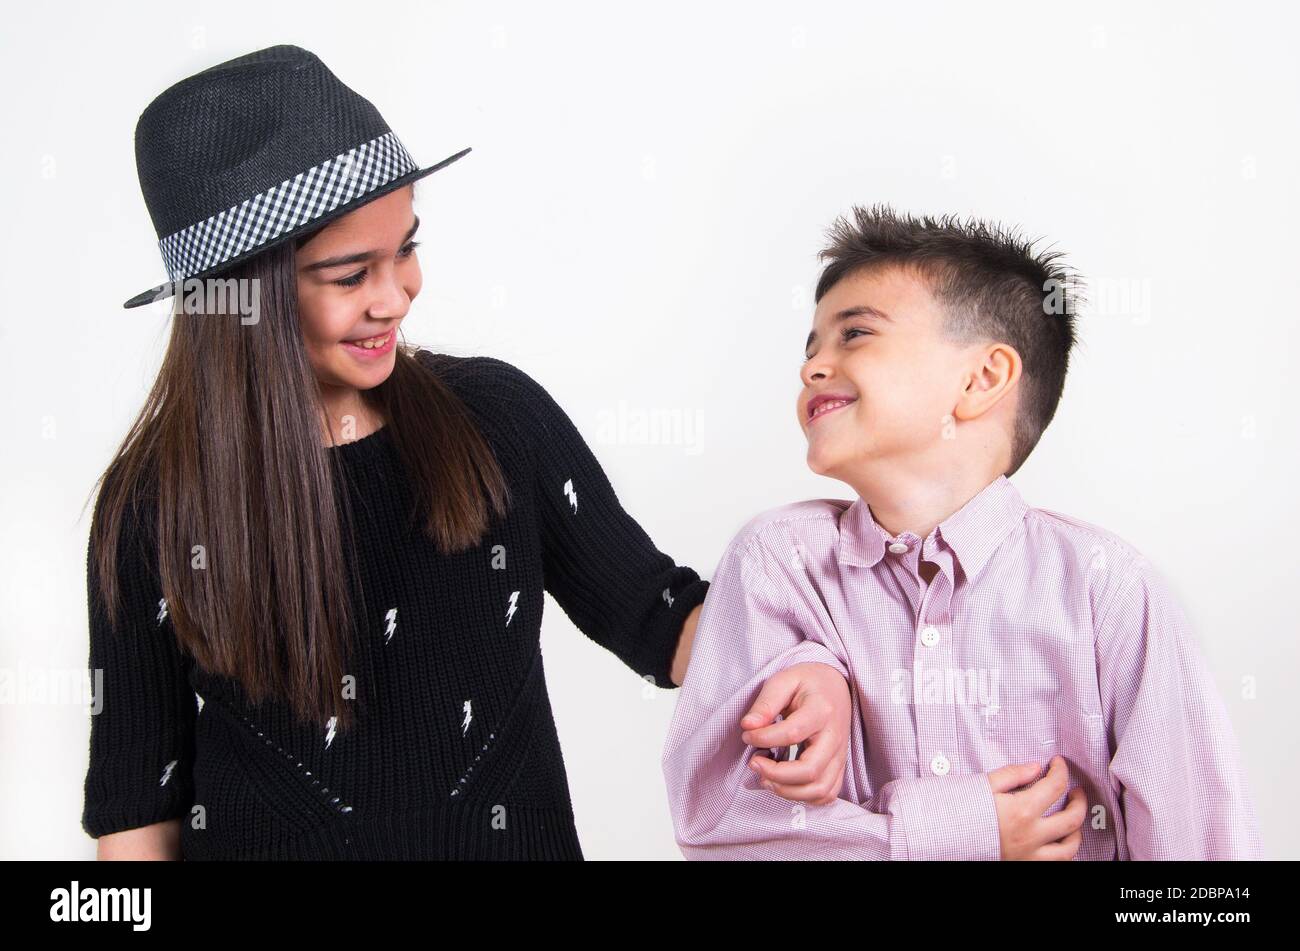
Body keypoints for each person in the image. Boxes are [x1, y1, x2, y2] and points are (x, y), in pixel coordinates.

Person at [83, 44, 852, 860]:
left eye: (406, 249)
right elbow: (140, 809)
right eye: (351, 275)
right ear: (243, 301)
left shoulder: (496, 421)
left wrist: (812, 670)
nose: (397, 295)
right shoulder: (151, 507)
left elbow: (663, 619)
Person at [663, 205, 1263, 860]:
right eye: (810, 348)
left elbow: (1204, 865)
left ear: (981, 379)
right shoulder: (777, 563)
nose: (812, 366)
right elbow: (720, 825)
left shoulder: (1109, 589)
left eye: (854, 334)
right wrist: (954, 829)